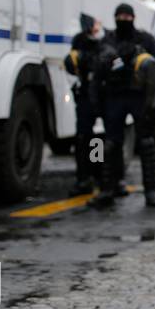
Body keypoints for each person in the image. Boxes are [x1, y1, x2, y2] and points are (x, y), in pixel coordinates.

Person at [88, 3, 155, 209]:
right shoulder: (108, 41)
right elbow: (98, 72)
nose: (124, 19)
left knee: (146, 143)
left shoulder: (144, 40)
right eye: (120, 16)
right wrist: (96, 102)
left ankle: (151, 191)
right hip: (114, 96)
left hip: (138, 96)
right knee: (106, 145)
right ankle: (105, 188)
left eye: (127, 16)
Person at [64, 13, 103, 195]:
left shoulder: (103, 42)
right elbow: (73, 65)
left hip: (100, 95)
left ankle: (98, 175)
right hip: (86, 94)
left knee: (96, 139)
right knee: (83, 139)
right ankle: (83, 178)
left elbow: (114, 64)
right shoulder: (79, 42)